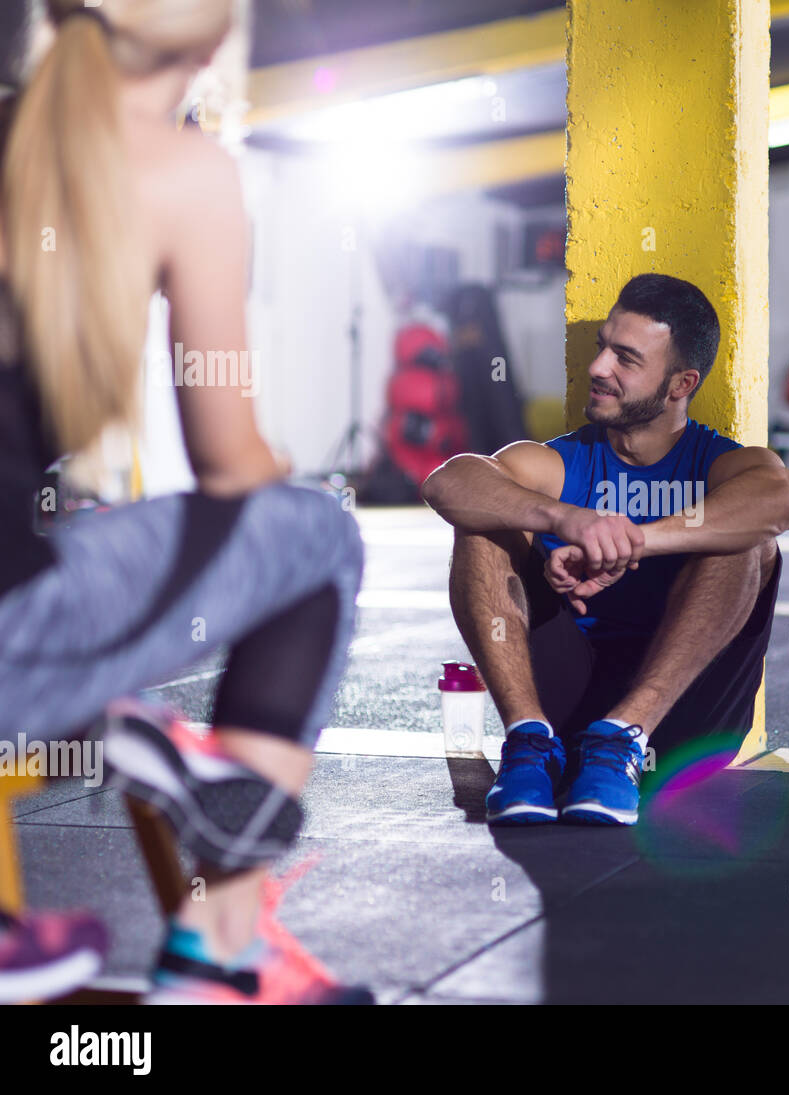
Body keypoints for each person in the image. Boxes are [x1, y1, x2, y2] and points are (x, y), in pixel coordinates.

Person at [0, 1, 369, 1004]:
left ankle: (150, 768)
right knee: (317, 534)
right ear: (214, 43)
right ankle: (220, 937)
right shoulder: (179, 169)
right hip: (12, 639)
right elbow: (229, 463)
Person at [423, 273, 789, 826]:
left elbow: (784, 497)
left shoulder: (718, 463)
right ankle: (528, 744)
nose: (599, 367)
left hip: (684, 718)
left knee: (746, 539)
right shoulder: (563, 462)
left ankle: (624, 737)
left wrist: (633, 542)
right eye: (604, 346)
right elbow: (448, 482)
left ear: (680, 385)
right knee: (483, 521)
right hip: (567, 711)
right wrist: (568, 519)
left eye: (625, 358)